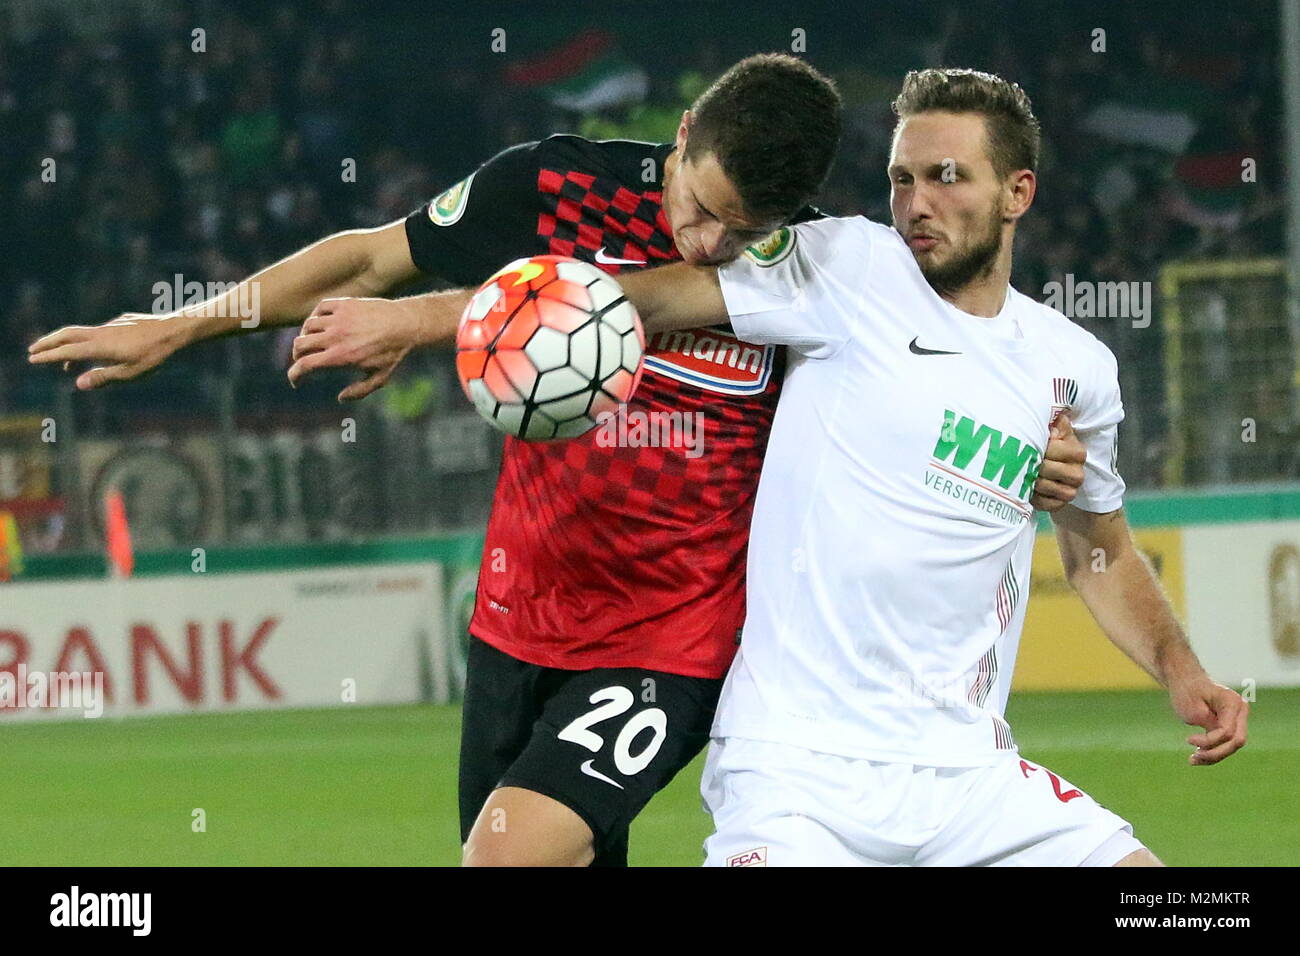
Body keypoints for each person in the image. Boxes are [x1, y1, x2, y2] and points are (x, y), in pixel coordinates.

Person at [28, 57, 1086, 867]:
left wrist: (1040, 443)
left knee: (509, 850)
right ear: (678, 137)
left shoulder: (813, 266)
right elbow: (367, 256)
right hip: (518, 616)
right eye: (700, 207)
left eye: (741, 226)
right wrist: (178, 327)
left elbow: (952, 359)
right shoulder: (555, 186)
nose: (709, 243)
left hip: (674, 638)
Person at [606, 68, 1249, 866]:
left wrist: (1184, 675)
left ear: (1018, 192)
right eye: (902, 179)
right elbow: (660, 299)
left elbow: (1099, 551)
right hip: (799, 771)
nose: (917, 203)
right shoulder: (845, 265)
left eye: (948, 177)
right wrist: (435, 316)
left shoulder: (1073, 367)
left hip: (971, 776)